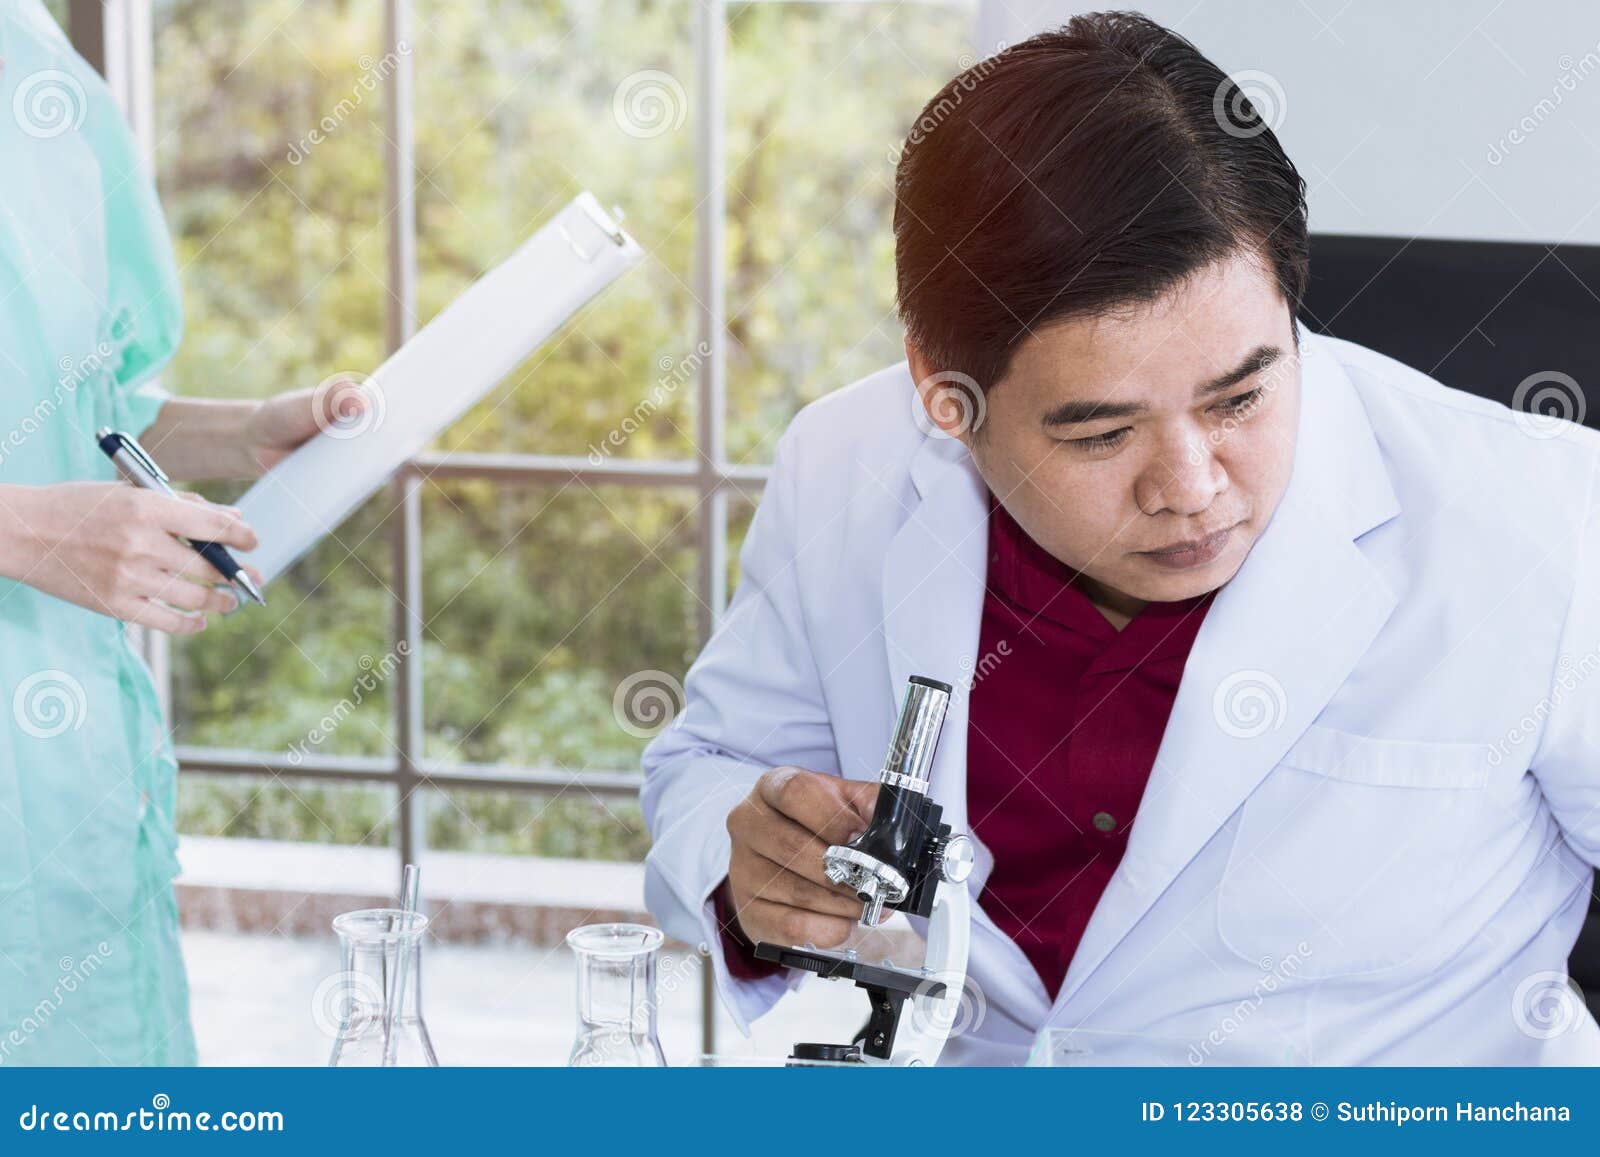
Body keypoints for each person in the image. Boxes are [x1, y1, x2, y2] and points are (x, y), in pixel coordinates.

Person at [642, 12, 1600, 1064]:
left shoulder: (1537, 518)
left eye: (1239, 398)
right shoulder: (844, 464)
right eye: (1100, 430)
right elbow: (716, 762)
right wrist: (749, 861)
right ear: (942, 390)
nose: (1190, 489)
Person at [0, 0, 361, 1064]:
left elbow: (90, 401)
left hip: (68, 824)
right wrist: (23, 532)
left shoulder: (34, 65)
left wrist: (244, 431)